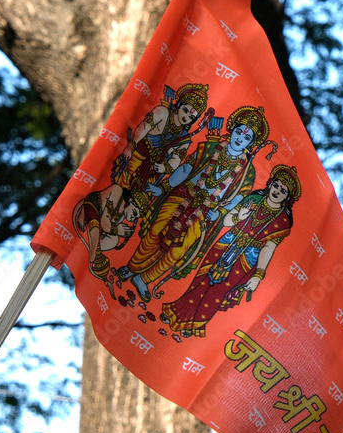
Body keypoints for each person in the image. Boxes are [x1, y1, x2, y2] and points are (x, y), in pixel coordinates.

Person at [117, 105, 273, 303]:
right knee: (155, 231)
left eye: (247, 137)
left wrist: (222, 212)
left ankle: (144, 279)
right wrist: (163, 188)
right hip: (183, 194)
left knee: (179, 251)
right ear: (232, 130)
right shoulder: (209, 147)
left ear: (251, 143)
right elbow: (185, 170)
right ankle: (132, 268)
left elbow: (238, 199)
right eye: (239, 131)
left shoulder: (247, 173)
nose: (241, 137)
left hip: (206, 213)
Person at [161, 164, 301, 337]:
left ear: (288, 198)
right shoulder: (255, 198)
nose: (277, 191)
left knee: (219, 290)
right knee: (202, 278)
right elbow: (227, 221)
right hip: (227, 242)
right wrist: (238, 216)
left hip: (248, 257)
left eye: (283, 191)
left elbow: (269, 247)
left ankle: (194, 324)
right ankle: (177, 312)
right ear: (271, 183)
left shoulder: (283, 221)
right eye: (277, 185)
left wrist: (258, 275)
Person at [72, 187, 147, 283]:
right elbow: (104, 222)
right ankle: (94, 255)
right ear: (131, 200)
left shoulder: (123, 215)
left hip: (101, 228)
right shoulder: (118, 191)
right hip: (94, 208)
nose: (132, 218)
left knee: (114, 240)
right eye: (134, 212)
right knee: (96, 229)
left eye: (136, 217)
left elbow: (108, 228)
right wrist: (116, 230)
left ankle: (92, 251)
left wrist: (116, 230)